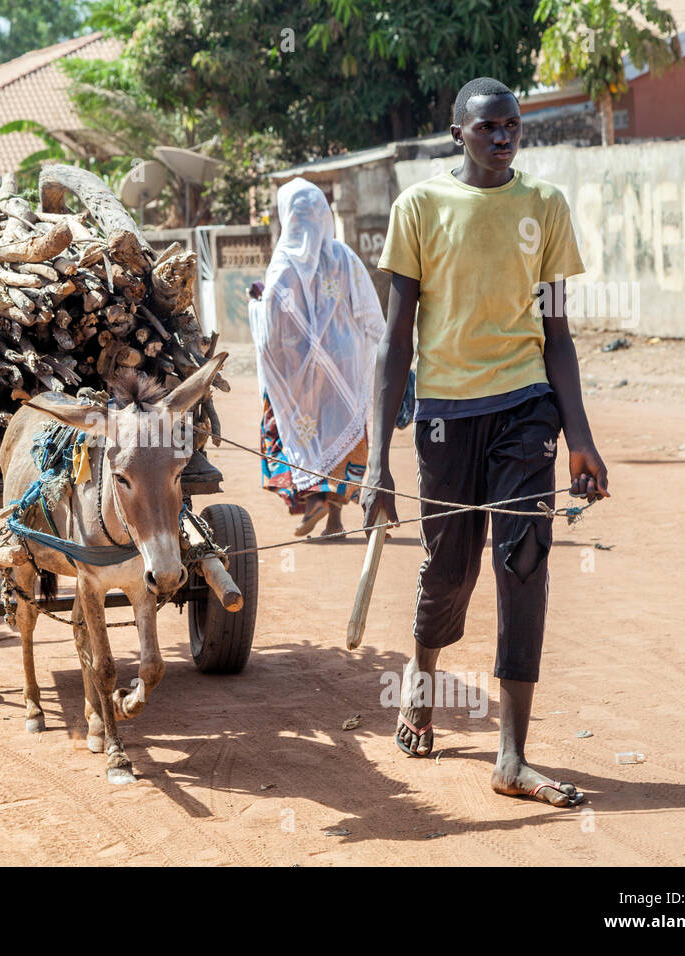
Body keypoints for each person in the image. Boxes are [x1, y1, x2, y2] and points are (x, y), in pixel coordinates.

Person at [363, 77, 610, 807]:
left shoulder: (545, 208)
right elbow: (393, 341)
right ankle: (421, 675)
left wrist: (581, 440)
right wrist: (377, 460)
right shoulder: (420, 208)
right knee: (450, 569)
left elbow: (558, 336)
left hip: (527, 408)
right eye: (488, 128)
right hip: (444, 415)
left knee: (523, 563)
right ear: (457, 134)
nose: (503, 138)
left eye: (513, 126)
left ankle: (512, 756)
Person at [250, 178, 384, 538]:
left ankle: (313, 501)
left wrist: (255, 306)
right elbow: (369, 312)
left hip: (297, 370)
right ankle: (336, 519)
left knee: (299, 432)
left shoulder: (282, 263)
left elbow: (274, 328)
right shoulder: (343, 255)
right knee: (340, 431)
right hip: (342, 364)